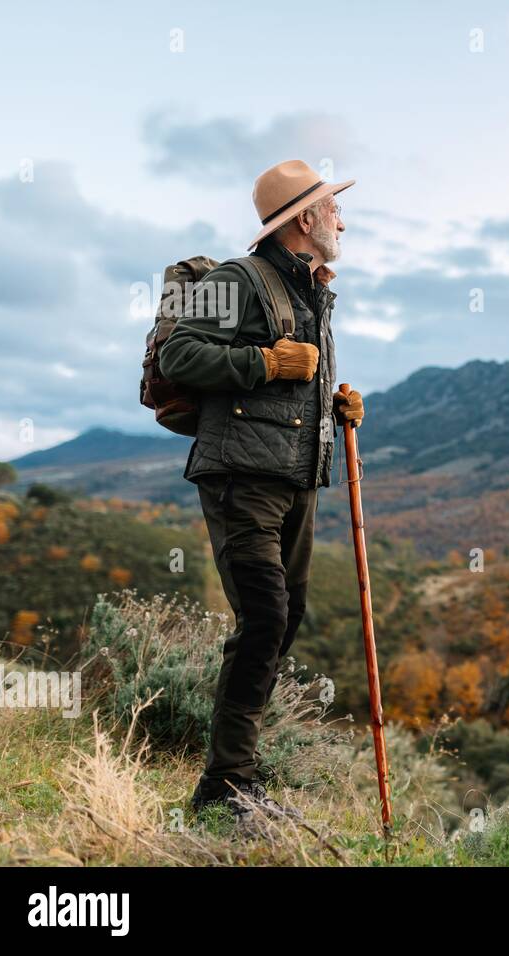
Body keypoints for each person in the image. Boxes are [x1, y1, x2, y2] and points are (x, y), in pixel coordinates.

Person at [159, 159, 365, 824]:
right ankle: (225, 785)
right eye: (333, 208)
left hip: (296, 480)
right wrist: (267, 362)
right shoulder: (237, 279)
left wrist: (337, 408)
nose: (342, 218)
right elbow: (179, 356)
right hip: (240, 476)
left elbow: (295, 390)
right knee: (266, 619)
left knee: (282, 624)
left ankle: (236, 776)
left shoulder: (315, 289)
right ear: (305, 219)